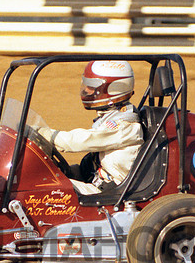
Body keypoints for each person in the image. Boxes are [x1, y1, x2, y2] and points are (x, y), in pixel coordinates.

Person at [37, 60, 144, 195]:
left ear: (113, 89)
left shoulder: (123, 125)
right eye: (86, 84)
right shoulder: (112, 117)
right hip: (97, 181)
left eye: (92, 86)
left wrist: (43, 134)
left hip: (110, 193)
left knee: (42, 184)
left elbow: (82, 140)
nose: (86, 90)